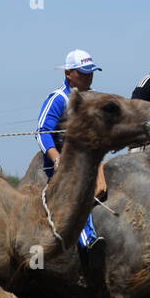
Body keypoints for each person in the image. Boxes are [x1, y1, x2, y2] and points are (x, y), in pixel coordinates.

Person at [36, 49, 108, 199]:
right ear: (68, 73)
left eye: (91, 73)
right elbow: (42, 132)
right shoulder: (58, 99)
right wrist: (57, 158)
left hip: (90, 162)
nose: (89, 78)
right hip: (62, 166)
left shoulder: (97, 98)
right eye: (83, 74)